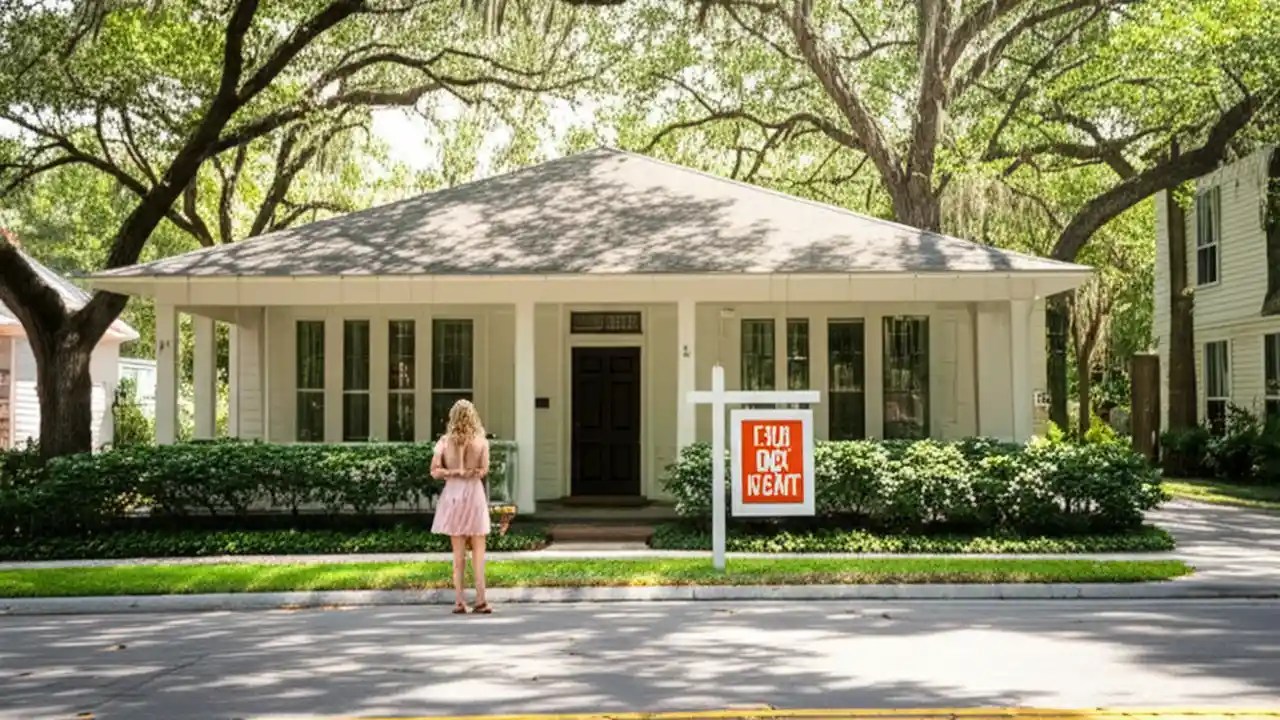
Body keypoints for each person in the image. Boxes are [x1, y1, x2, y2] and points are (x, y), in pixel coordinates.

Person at [430, 399, 493, 614]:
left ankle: (459, 601)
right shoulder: (482, 442)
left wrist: (453, 472)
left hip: (453, 494)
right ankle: (481, 599)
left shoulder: (444, 442)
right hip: (474, 494)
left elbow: (435, 470)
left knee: (458, 555)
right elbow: (484, 470)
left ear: (453, 417)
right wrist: (469, 471)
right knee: (478, 552)